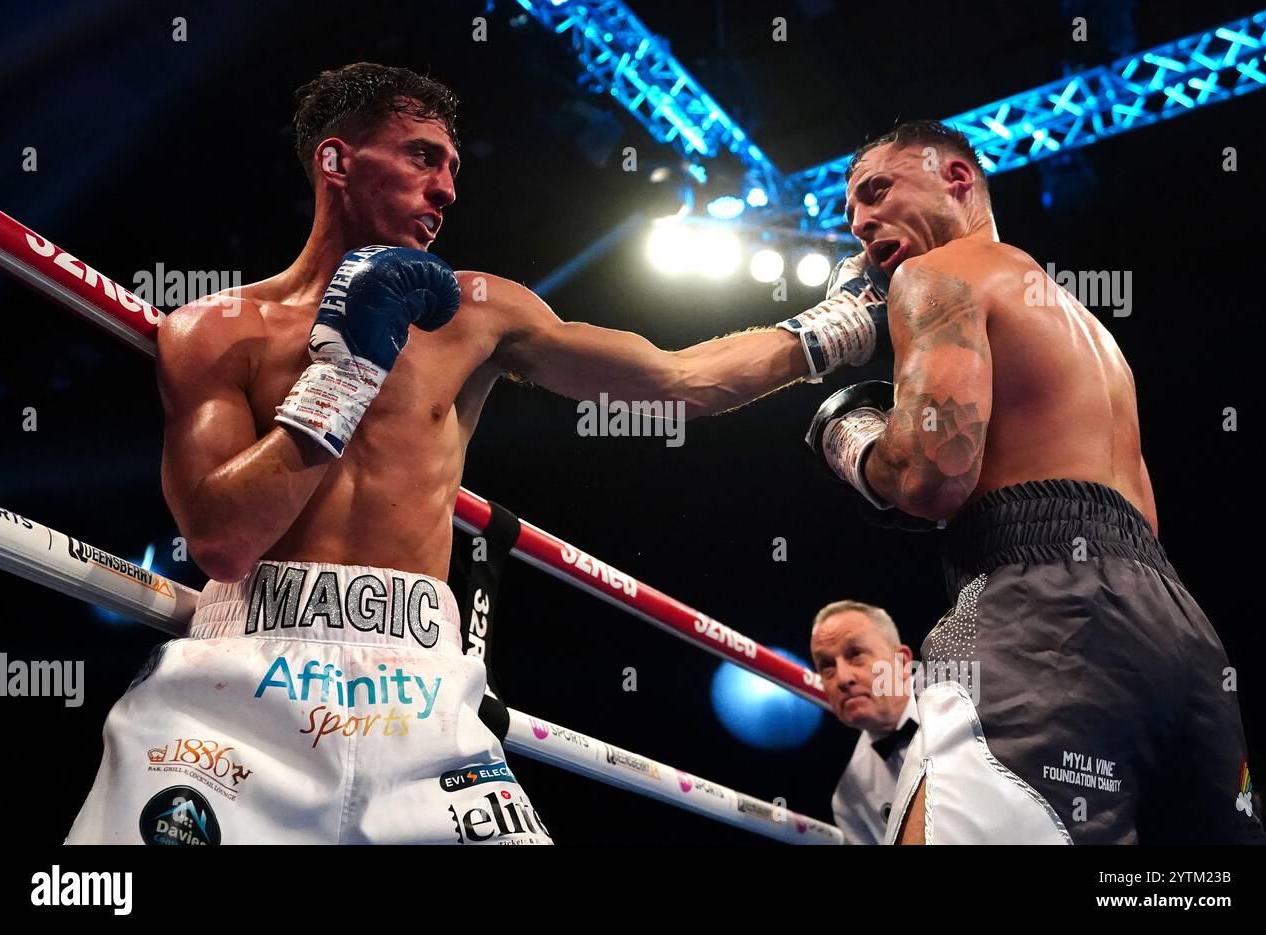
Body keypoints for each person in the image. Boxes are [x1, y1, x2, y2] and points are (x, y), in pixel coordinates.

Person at [66, 63, 886, 845]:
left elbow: (677, 379)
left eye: (454, 166)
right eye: (423, 157)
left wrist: (827, 331)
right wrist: (345, 372)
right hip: (240, 683)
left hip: (419, 683)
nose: (448, 188)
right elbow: (223, 541)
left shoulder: (478, 313)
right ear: (336, 159)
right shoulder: (213, 329)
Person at [807, 119, 1266, 844]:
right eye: (852, 214)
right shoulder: (1092, 334)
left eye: (876, 190)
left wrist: (851, 439)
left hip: (1040, 606)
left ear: (957, 177)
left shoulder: (938, 275)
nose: (861, 221)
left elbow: (933, 478)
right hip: (1181, 631)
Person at [810, 600, 916, 845]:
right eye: (827, 666)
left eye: (855, 654)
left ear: (901, 662)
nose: (842, 678)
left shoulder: (969, 705)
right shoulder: (849, 799)